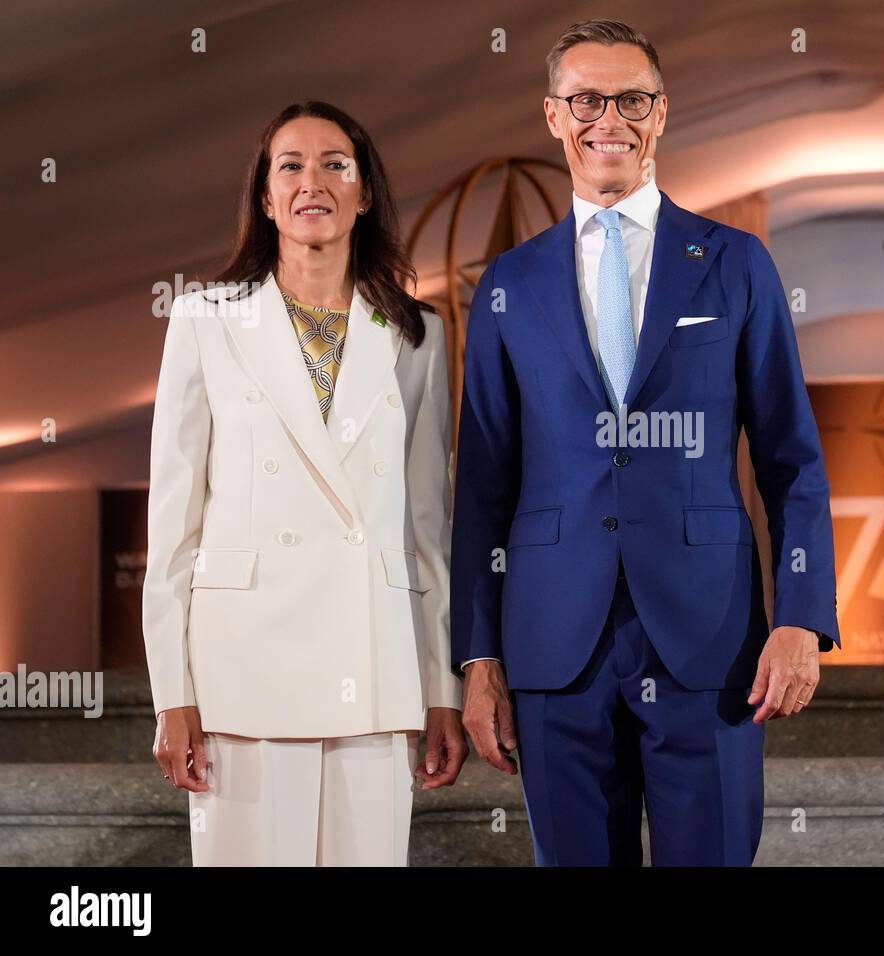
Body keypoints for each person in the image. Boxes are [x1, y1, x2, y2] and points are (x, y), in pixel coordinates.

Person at [451, 20, 839, 866]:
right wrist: (478, 655)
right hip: (553, 644)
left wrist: (803, 617)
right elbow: (482, 486)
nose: (609, 120)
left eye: (632, 100)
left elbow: (792, 460)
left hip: (711, 637)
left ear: (661, 113)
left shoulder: (735, 263)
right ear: (553, 115)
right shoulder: (508, 284)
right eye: (586, 100)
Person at [143, 101, 466, 866]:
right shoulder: (205, 319)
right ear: (265, 196)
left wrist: (441, 690)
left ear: (365, 193)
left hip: (374, 664)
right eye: (290, 165)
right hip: (240, 669)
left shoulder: (417, 333)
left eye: (335, 165)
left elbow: (427, 526)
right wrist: (172, 695)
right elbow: (174, 524)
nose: (311, 181)